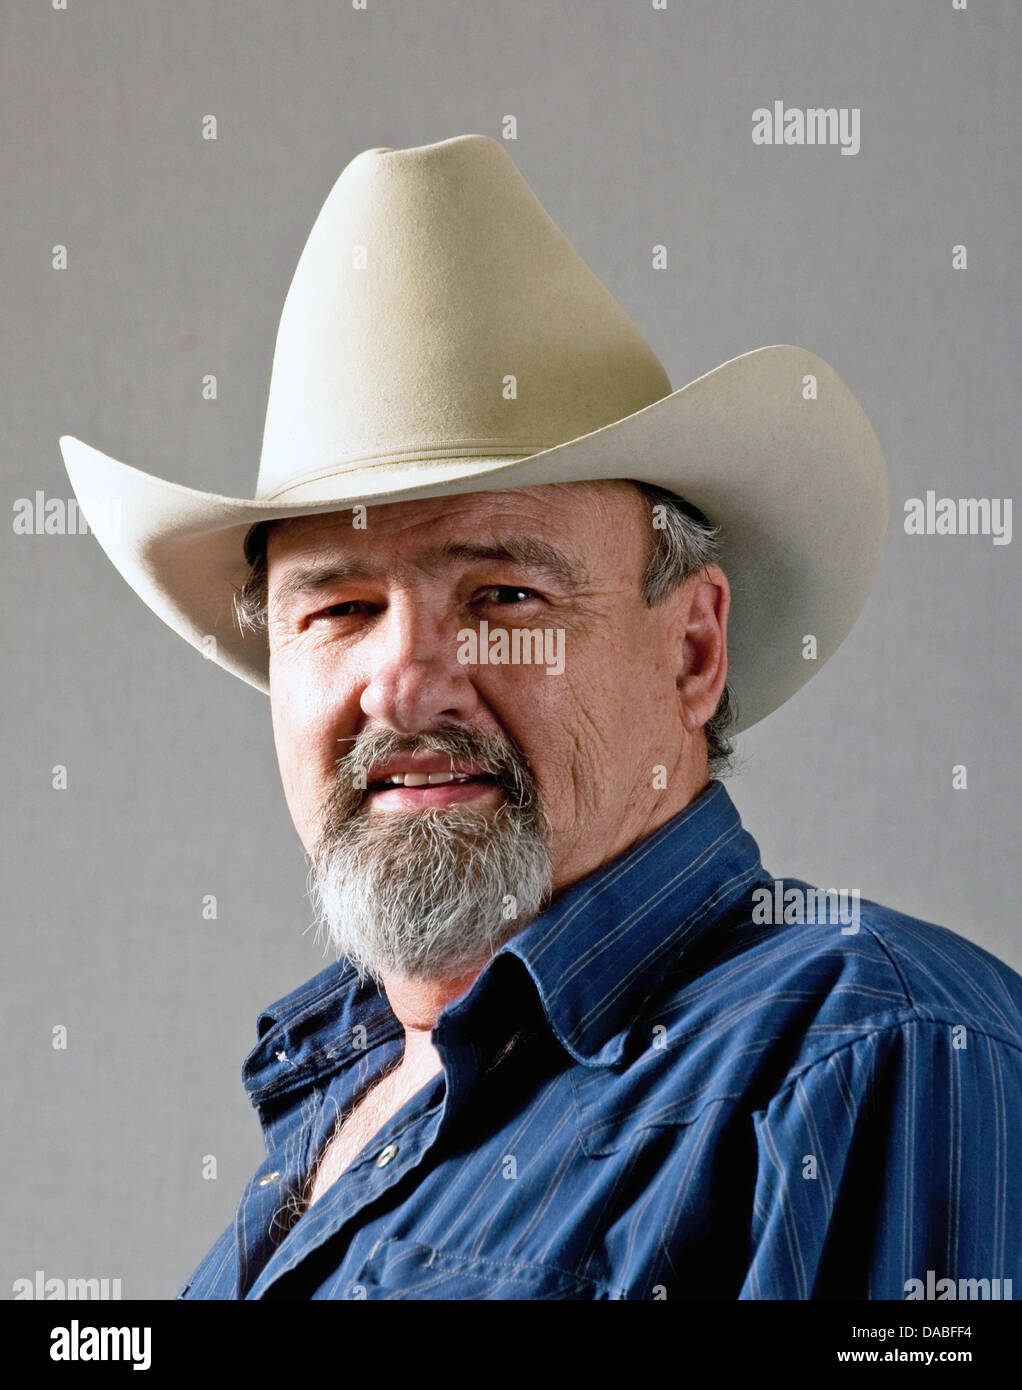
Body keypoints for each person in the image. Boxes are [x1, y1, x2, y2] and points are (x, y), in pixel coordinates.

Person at [60, 134, 1022, 1300]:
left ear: (692, 647)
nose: (405, 686)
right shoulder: (344, 1093)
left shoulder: (874, 1055)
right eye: (341, 607)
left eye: (503, 595)